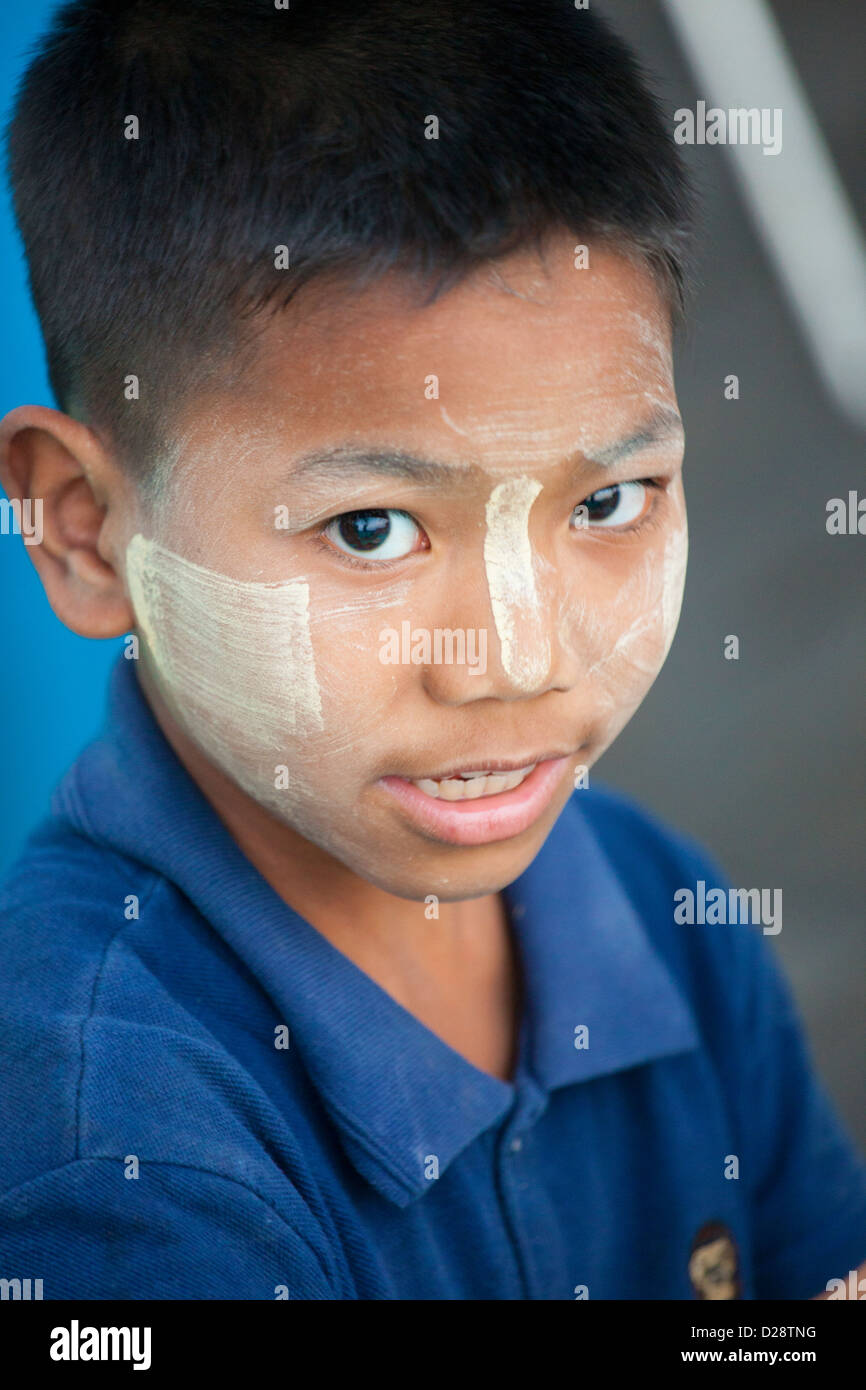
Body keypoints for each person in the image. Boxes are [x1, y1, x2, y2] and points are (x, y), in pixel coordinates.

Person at [1, 0, 864, 1300]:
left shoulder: (653, 900)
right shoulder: (109, 1148)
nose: (515, 659)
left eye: (607, 501)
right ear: (83, 529)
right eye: (372, 528)